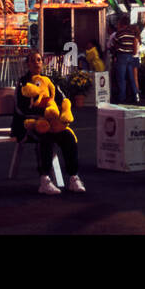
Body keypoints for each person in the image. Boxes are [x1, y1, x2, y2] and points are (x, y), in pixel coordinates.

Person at [11, 49, 85, 195]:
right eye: (33, 60)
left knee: (68, 137)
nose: (36, 63)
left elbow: (62, 99)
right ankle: (44, 180)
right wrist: (41, 117)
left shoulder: (48, 81)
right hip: (27, 124)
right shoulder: (23, 83)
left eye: (39, 60)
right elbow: (20, 109)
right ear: (27, 64)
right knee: (45, 137)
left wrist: (62, 114)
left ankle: (73, 177)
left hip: (50, 123)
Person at [112, 18, 141, 103]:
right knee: (131, 77)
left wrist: (115, 54)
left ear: (121, 24)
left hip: (121, 56)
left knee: (121, 78)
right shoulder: (132, 33)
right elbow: (134, 46)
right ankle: (135, 96)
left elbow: (115, 45)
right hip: (130, 56)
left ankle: (122, 97)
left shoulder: (120, 33)